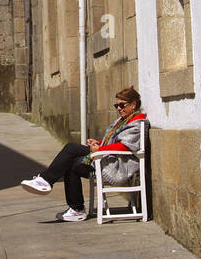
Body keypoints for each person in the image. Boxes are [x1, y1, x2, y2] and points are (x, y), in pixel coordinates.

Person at [20, 87, 146, 221]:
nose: (119, 108)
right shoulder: (122, 120)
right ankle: (76, 209)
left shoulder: (137, 123)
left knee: (71, 148)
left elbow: (125, 146)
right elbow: (113, 141)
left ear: (133, 105)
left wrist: (100, 150)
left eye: (122, 105)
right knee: (71, 162)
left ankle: (47, 181)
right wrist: (97, 143)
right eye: (117, 105)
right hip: (106, 157)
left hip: (116, 166)